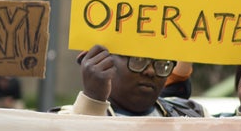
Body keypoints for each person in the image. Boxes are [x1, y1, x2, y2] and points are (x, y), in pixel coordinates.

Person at [55, 44, 205, 117]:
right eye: (138, 60)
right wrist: (93, 100)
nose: (151, 71)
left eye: (162, 63)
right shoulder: (64, 121)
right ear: (104, 61)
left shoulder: (194, 114)